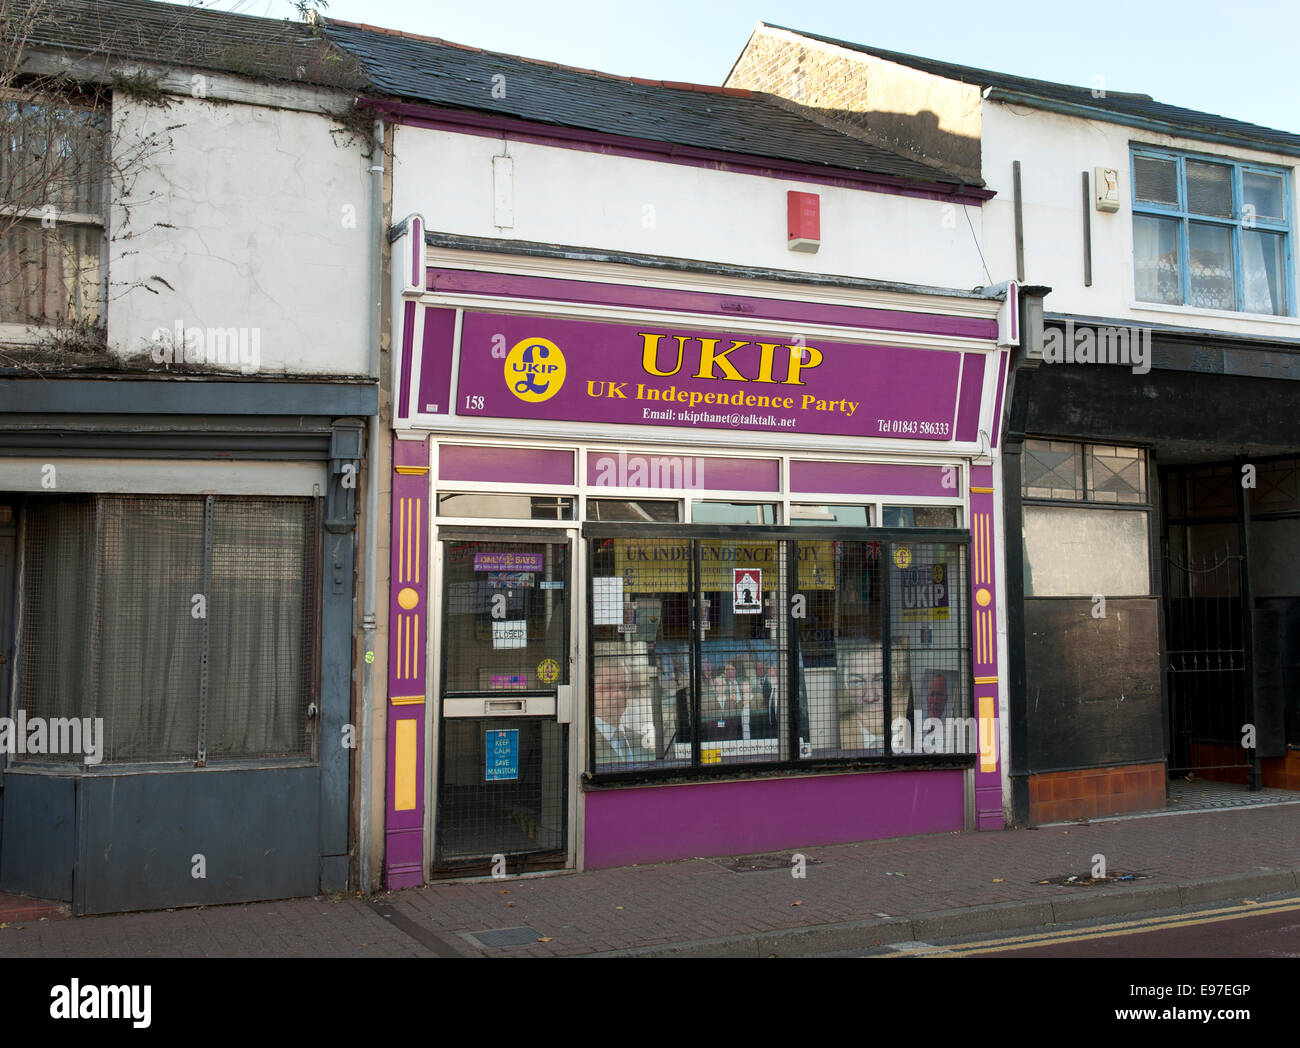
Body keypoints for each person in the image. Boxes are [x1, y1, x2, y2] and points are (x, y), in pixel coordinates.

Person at [592, 657, 649, 765]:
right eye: (608, 687)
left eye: (623, 687)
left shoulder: (639, 741)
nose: (619, 694)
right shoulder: (584, 742)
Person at [838, 647, 885, 752]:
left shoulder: (911, 730)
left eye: (880, 680)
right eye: (857, 682)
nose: (870, 697)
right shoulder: (838, 732)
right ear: (845, 688)